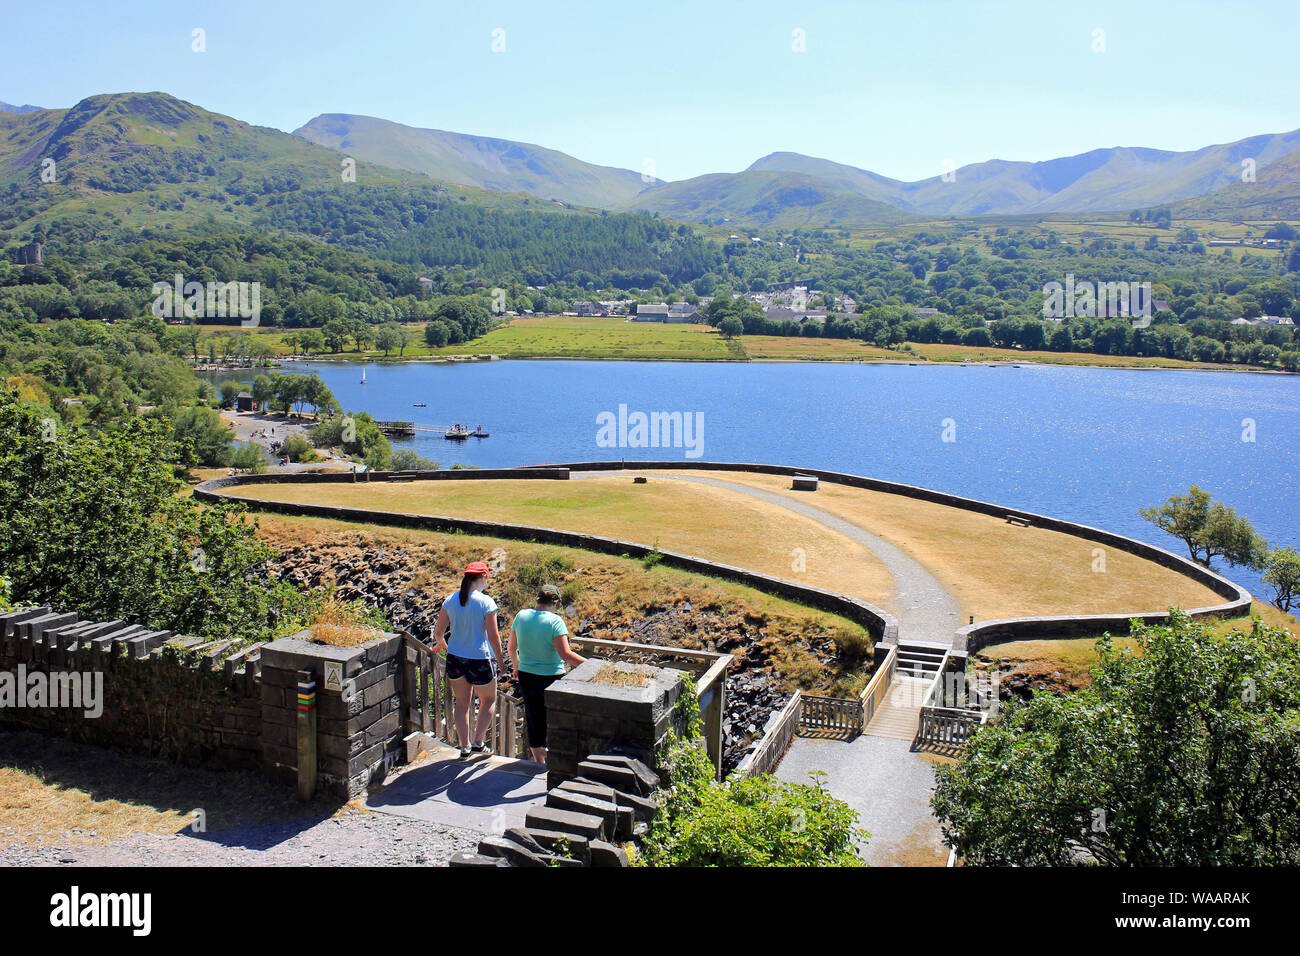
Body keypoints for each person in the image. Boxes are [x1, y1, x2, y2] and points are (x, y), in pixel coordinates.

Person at [509, 583, 586, 764]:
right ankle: (556, 762)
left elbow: (512, 647)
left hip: (526, 675)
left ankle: (539, 764)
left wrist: (516, 666)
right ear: (556, 602)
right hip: (552, 678)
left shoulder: (521, 616)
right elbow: (565, 654)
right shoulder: (555, 621)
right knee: (555, 719)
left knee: (534, 718)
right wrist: (593, 665)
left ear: (538, 600)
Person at [433, 561, 504, 757]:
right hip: (480, 658)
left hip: (455, 657)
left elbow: (438, 632)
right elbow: (493, 637)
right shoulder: (486, 602)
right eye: (487, 578)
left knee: (462, 703)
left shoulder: (451, 600)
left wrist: (444, 646)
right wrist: (501, 662)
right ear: (482, 578)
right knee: (488, 700)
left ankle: (464, 747)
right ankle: (478, 742)